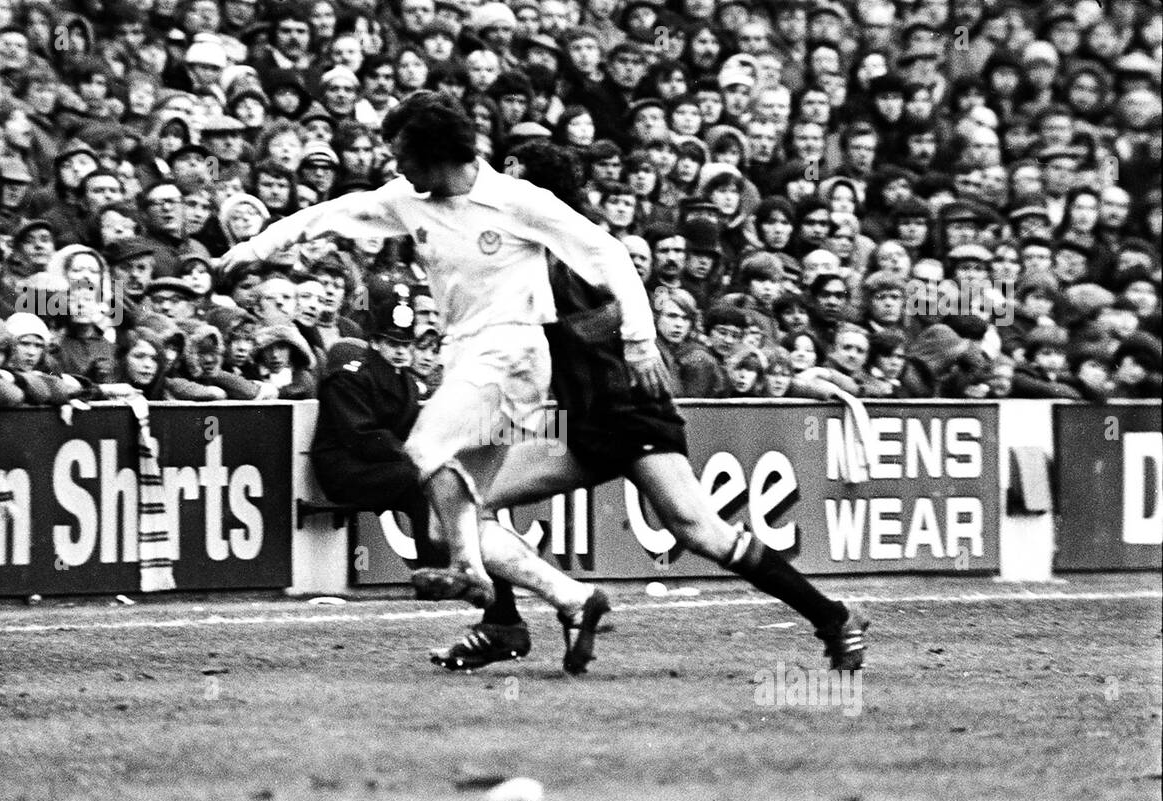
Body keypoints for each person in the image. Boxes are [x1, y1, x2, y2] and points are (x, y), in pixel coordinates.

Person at [221, 92, 665, 672]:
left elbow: (606, 251)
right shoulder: (409, 200)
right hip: (467, 359)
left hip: (513, 352)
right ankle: (575, 600)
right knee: (450, 516)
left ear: (435, 154)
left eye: (403, 155)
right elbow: (329, 215)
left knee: (425, 449)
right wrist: (258, 246)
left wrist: (639, 337)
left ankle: (468, 573)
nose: (396, 168)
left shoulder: (517, 201)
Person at [429, 140, 869, 675]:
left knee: (699, 530)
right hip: (586, 423)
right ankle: (503, 625)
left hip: (630, 410)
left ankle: (834, 618)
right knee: (468, 506)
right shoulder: (529, 248)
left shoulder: (577, 246)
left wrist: (537, 328)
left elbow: (616, 313)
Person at [309, 284, 447, 572]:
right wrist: (411, 457)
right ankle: (434, 569)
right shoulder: (350, 378)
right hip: (345, 471)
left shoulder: (405, 381)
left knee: (438, 478)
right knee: (418, 479)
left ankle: (437, 567)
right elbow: (362, 436)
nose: (400, 352)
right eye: (392, 343)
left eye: (406, 345)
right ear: (374, 342)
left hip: (382, 468)